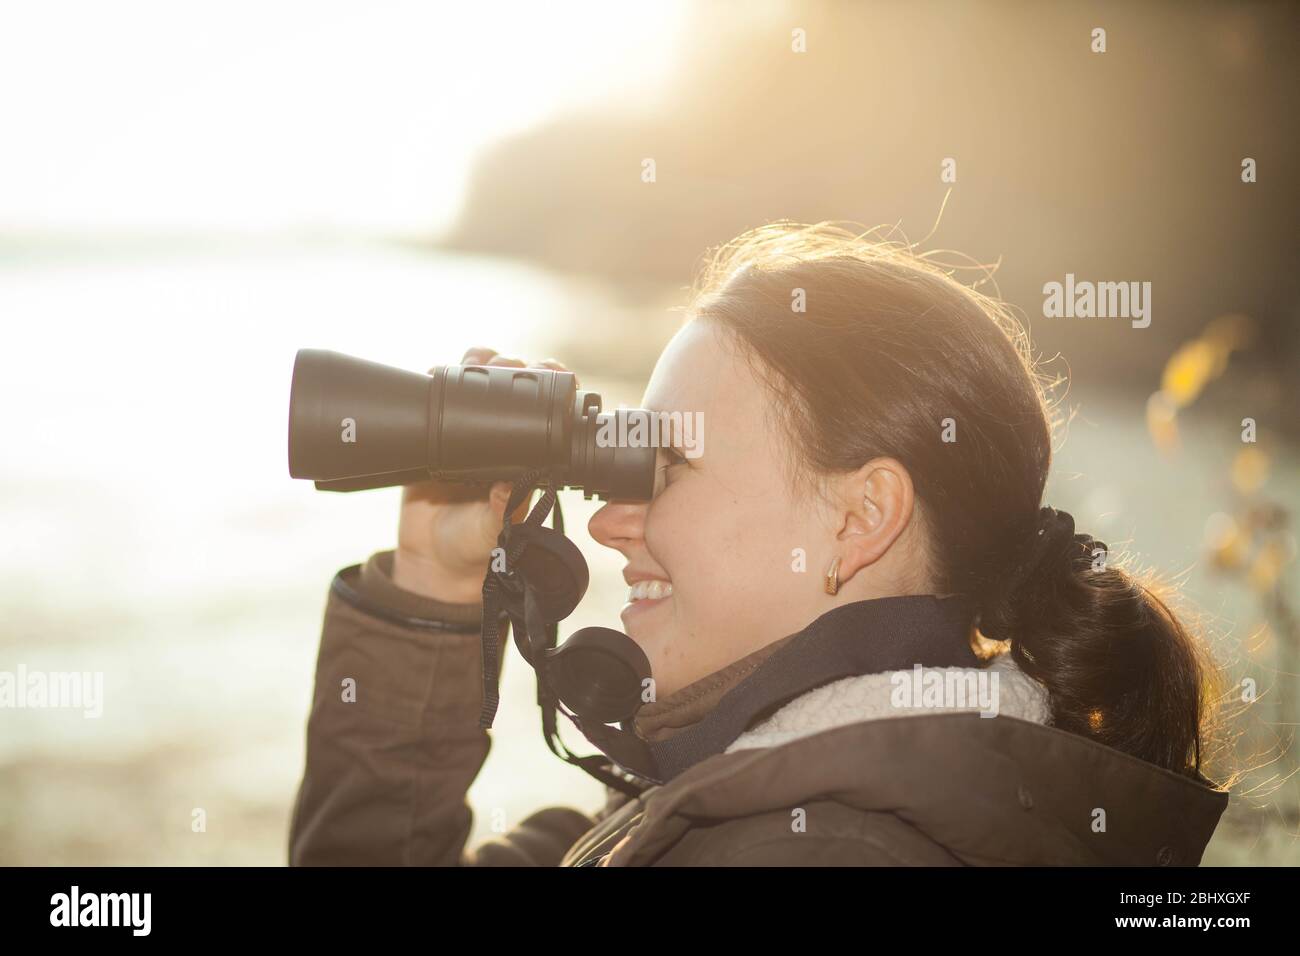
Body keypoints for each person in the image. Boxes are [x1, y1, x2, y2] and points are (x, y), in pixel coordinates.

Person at [288, 222, 1229, 866]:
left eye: (670, 466)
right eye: (623, 464)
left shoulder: (805, 848)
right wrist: (437, 586)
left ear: (860, 520)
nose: (614, 521)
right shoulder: (726, 797)